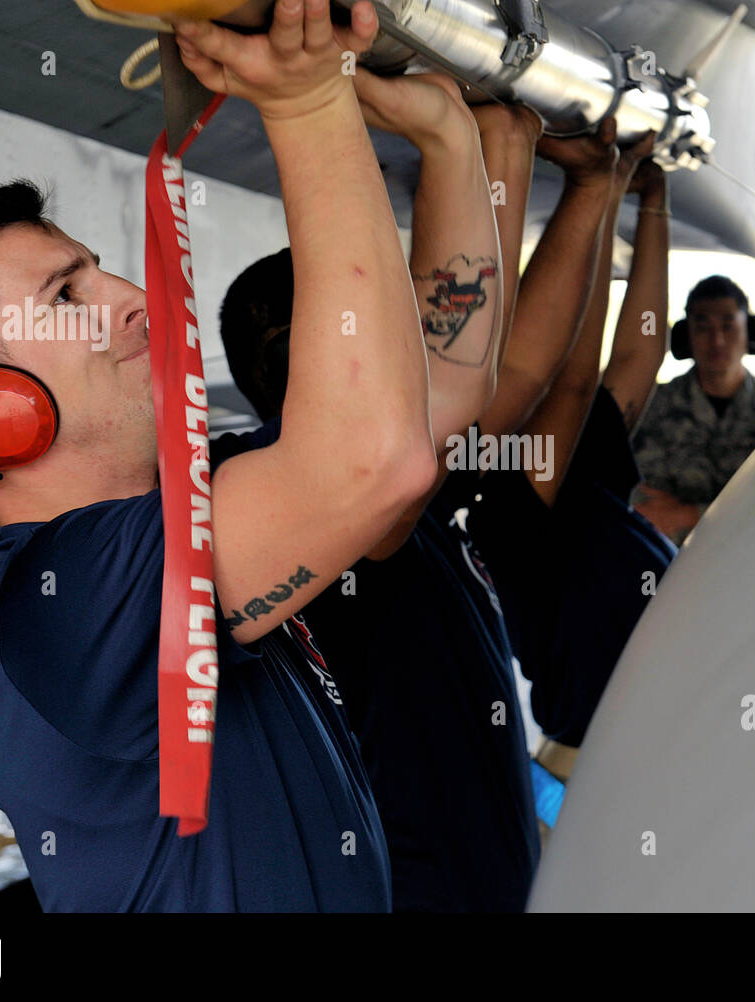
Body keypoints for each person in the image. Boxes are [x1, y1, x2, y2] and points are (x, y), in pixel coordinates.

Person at [0, 0, 440, 911]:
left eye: (100, 268)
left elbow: (436, 411)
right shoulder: (52, 605)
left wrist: (463, 147)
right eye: (67, 295)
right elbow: (378, 459)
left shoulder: (200, 504)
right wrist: (307, 102)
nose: (131, 298)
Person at [219, 78, 544, 911]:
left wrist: (492, 147)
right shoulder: (315, 491)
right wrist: (451, 144)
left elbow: (498, 364)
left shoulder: (392, 492)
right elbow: (455, 380)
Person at [467, 135, 676, 806]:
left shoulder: (591, 479)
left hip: (639, 742)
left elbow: (642, 349)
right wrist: (606, 190)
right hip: (592, 761)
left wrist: (653, 206)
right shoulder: (507, 501)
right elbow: (574, 383)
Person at [632, 275, 755, 542]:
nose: (717, 340)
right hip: (669, 572)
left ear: (750, 333)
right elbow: (645, 506)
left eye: (728, 326)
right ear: (686, 337)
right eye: (703, 327)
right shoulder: (652, 408)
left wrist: (689, 515)